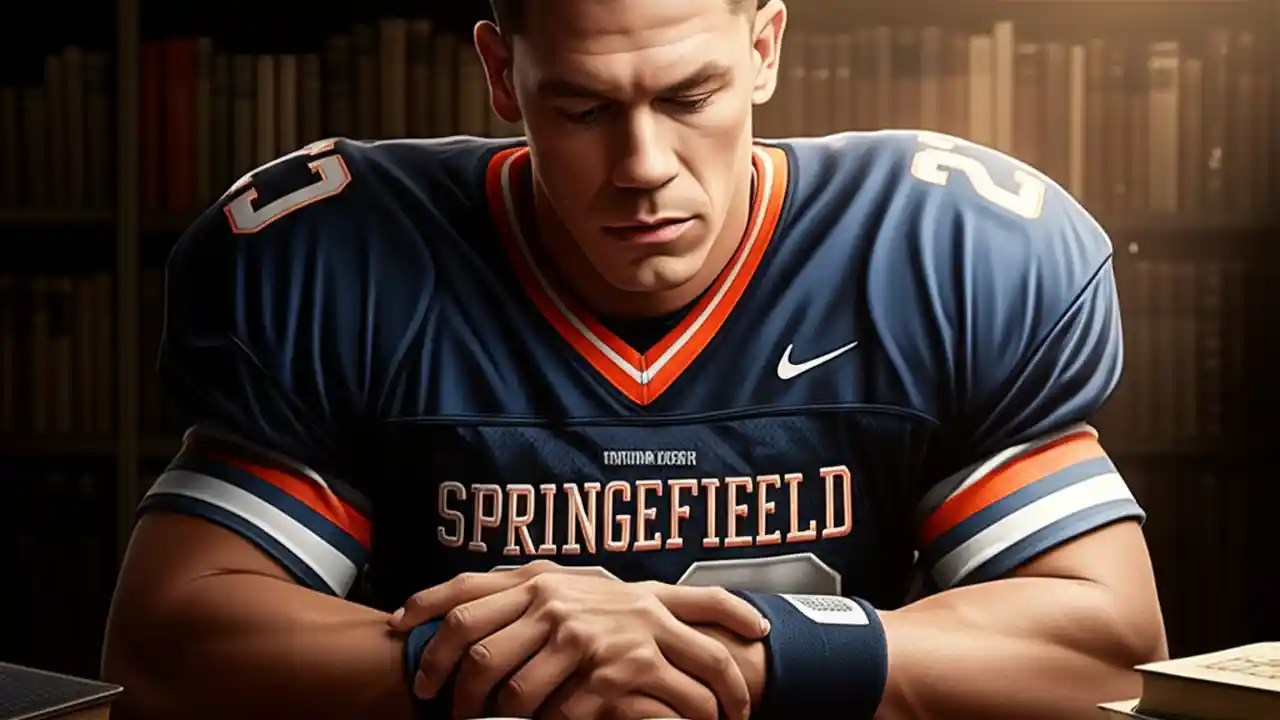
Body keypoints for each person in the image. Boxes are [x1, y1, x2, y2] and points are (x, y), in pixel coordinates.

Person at [100, 0, 1170, 718]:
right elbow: (170, 640)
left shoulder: (943, 251)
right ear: (500, 73)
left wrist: (754, 655)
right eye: (583, 108)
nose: (642, 167)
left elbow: (1104, 643)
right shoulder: (340, 253)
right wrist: (548, 654)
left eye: (688, 97)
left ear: (764, 46)